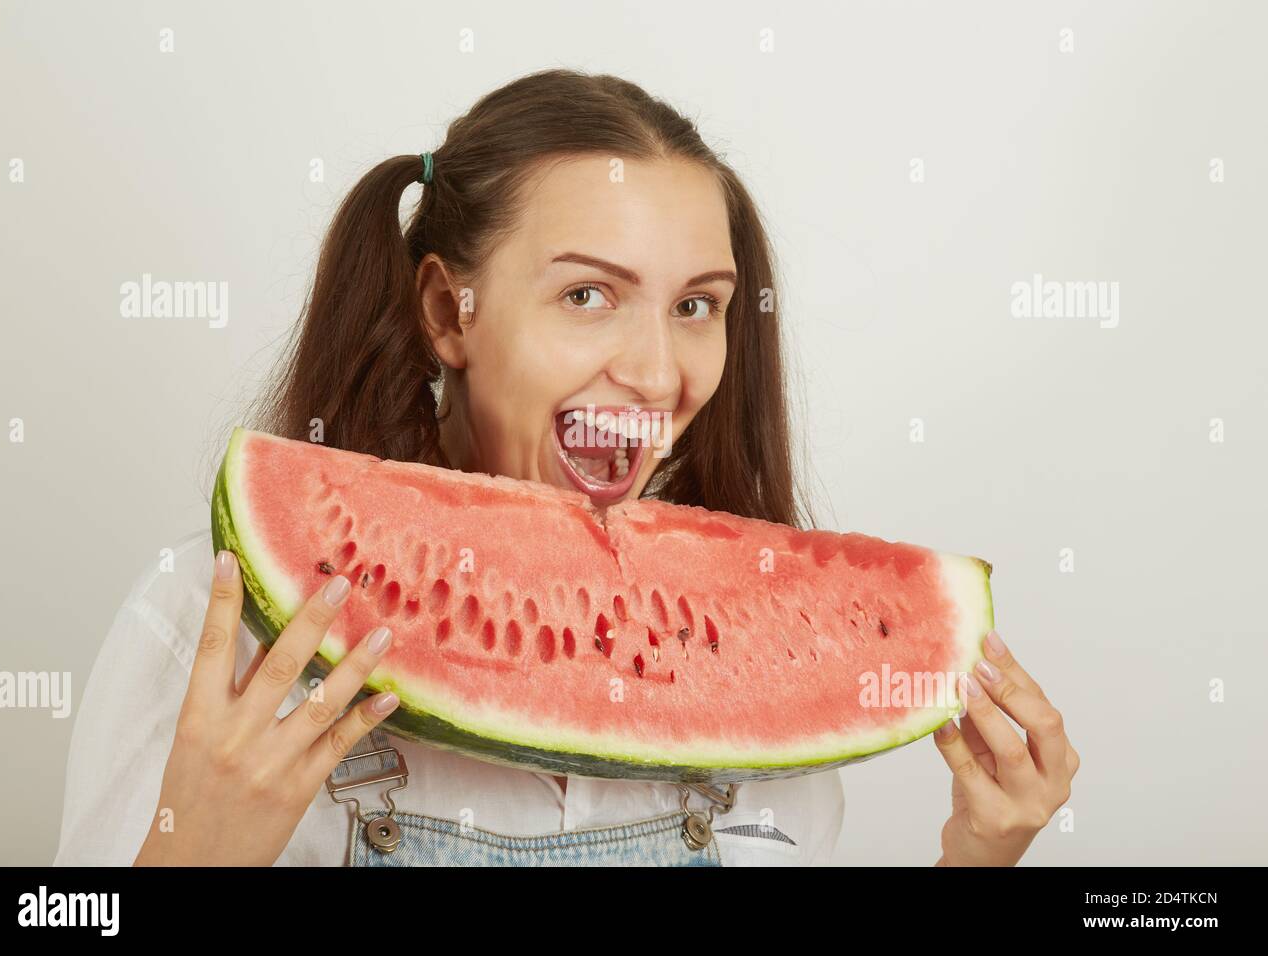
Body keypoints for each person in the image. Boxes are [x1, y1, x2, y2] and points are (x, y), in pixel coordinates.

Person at [54, 68, 1077, 867]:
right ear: (446, 310)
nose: (655, 369)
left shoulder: (753, 652)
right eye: (588, 294)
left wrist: (976, 857)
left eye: (696, 305)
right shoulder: (214, 616)